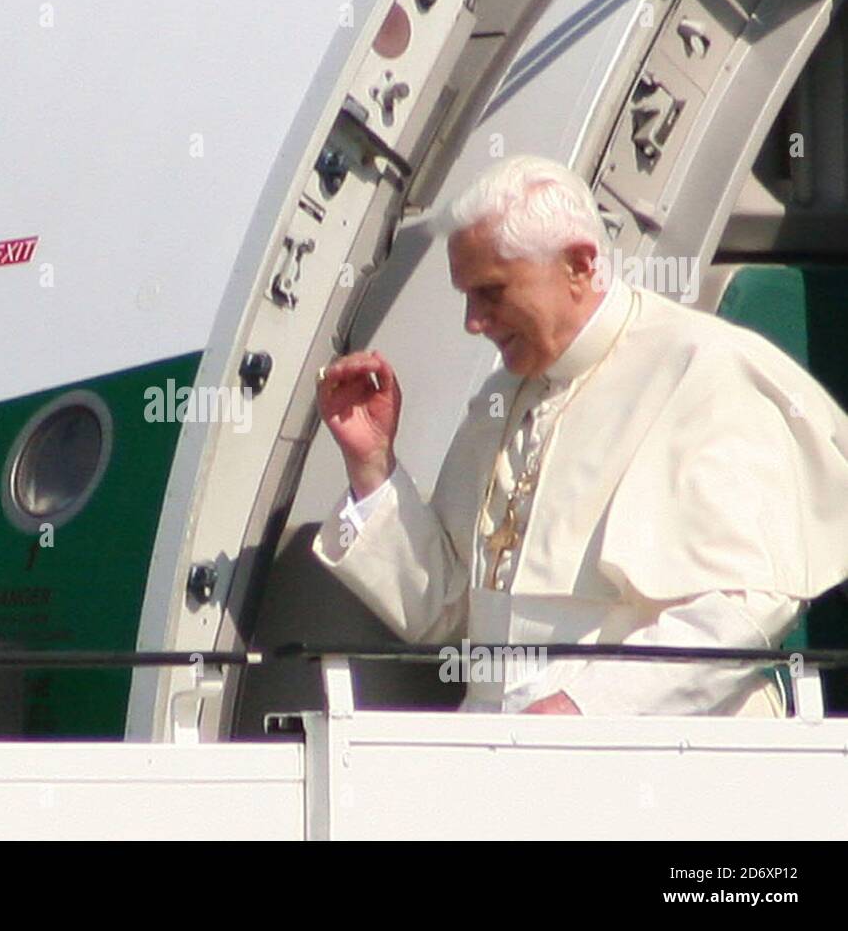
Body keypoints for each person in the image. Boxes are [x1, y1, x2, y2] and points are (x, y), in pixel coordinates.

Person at [312, 155, 848, 716]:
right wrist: (372, 466)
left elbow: (746, 605)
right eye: (466, 296)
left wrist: (583, 707)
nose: (473, 322)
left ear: (578, 264)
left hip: (655, 748)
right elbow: (446, 613)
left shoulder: (704, 368)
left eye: (491, 292)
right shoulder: (504, 397)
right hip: (500, 746)